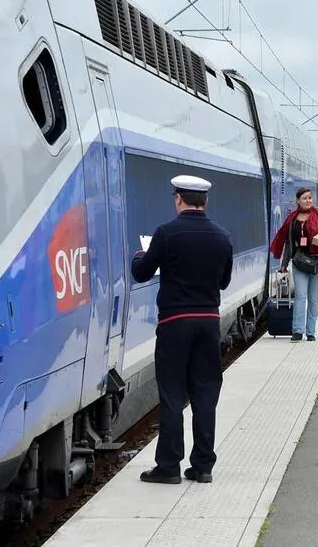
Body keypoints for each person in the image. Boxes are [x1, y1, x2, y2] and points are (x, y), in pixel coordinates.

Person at [131, 175, 234, 485]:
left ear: (178, 199)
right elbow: (224, 282)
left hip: (175, 323)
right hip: (208, 322)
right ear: (205, 201)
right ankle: (203, 466)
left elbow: (141, 272)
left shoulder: (166, 234)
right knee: (205, 393)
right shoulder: (221, 236)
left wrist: (140, 256)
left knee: (172, 393)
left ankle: (169, 466)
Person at [270, 187, 318, 342]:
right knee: (300, 296)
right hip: (300, 261)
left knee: (313, 298)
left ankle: (311, 332)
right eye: (305, 198)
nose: (308, 201)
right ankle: (297, 331)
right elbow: (288, 243)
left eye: (310, 198)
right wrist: (284, 264)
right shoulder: (292, 218)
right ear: (298, 201)